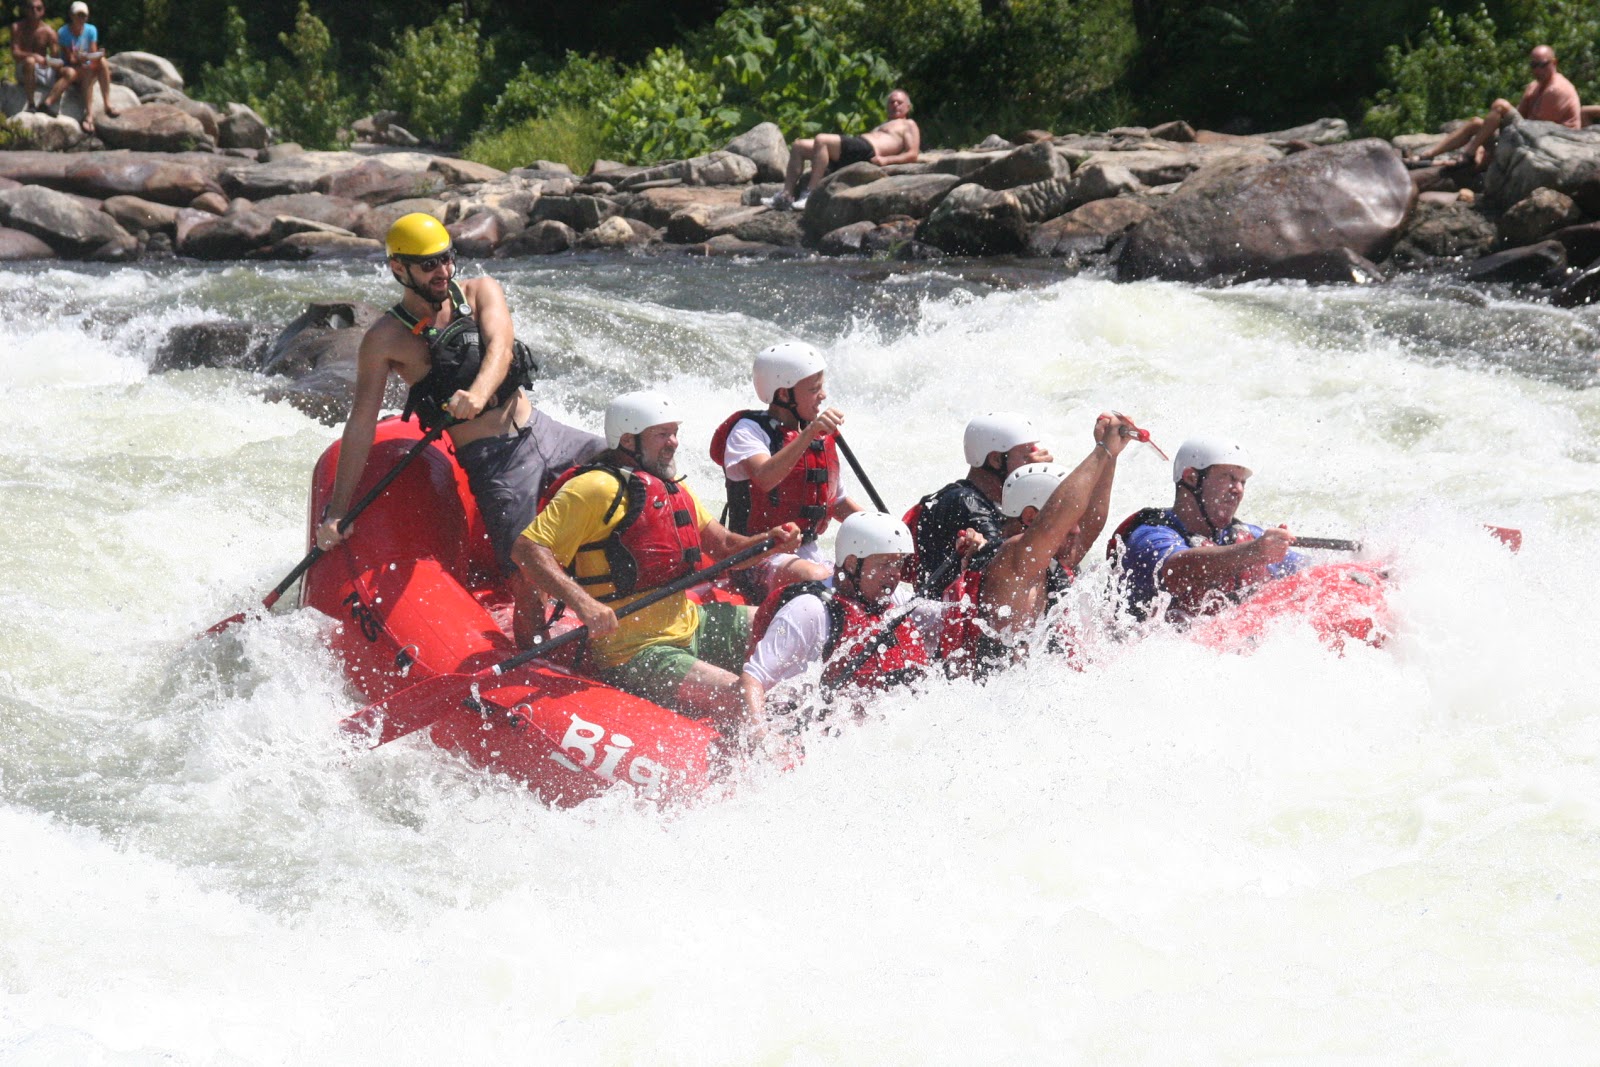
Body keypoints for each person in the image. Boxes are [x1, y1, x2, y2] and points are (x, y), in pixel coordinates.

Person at [316, 213, 606, 602]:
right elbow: (362, 423)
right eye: (428, 264)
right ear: (398, 268)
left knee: (630, 466)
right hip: (495, 461)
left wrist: (478, 394)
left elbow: (501, 347)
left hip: (544, 430)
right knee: (526, 578)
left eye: (447, 258)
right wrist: (337, 511)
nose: (443, 270)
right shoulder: (385, 339)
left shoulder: (480, 290)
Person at [513, 391, 802, 731]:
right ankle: (761, 768)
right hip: (631, 651)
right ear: (627, 439)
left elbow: (724, 547)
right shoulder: (594, 489)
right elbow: (527, 550)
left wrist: (769, 542)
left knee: (788, 624)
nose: (674, 443)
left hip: (691, 624)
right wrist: (584, 604)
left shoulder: (670, 487)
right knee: (739, 696)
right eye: (662, 434)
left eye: (674, 432)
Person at [938, 413, 1137, 675]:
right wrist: (1100, 451)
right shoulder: (1010, 562)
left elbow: (1092, 520)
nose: (1077, 531)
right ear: (1031, 518)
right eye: (1068, 524)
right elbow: (1057, 519)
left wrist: (1110, 456)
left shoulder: (1048, 562)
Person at [739, 511, 935, 725]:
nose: (895, 574)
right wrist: (762, 738)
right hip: (809, 727)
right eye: (884, 564)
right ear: (851, 564)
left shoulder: (893, 600)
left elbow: (952, 616)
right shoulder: (809, 610)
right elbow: (754, 678)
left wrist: (970, 565)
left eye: (898, 564)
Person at [709, 341, 863, 596]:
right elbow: (764, 477)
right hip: (756, 558)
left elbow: (837, 504)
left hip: (807, 553)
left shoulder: (815, 438)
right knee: (818, 578)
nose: (823, 395)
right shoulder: (748, 431)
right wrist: (811, 433)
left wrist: (881, 533)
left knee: (864, 577)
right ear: (783, 394)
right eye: (814, 389)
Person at [1108, 437, 1309, 623]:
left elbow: (1309, 571)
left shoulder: (1245, 536)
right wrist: (1255, 552)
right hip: (1149, 649)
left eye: (1242, 482)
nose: (1238, 489)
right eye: (1228, 478)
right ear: (1191, 477)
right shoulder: (1150, 534)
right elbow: (1178, 570)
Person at [910, 411, 1059, 596]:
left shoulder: (989, 500)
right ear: (996, 460)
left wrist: (1042, 483)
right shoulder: (965, 501)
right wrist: (1033, 484)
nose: (1034, 461)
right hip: (942, 616)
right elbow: (1007, 561)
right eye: (1027, 456)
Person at [1417, 45, 1580, 169]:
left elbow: (1537, 127)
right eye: (1533, 65)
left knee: (1500, 105)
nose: (1537, 70)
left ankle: (1468, 153)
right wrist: (1484, 136)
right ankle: (1427, 155)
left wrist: (1489, 139)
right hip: (1531, 132)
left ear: (1554, 63)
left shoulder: (1556, 89)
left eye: (1542, 65)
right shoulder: (1534, 86)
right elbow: (1520, 115)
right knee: (1475, 123)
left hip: (1553, 141)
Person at [764, 88, 921, 211]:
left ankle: (810, 194)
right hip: (856, 147)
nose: (895, 105)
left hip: (867, 151)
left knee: (822, 139)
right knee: (799, 146)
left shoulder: (909, 124)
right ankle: (786, 196)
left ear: (908, 106)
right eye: (891, 102)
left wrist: (886, 160)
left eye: (899, 102)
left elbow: (913, 154)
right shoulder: (882, 125)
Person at [55, 1, 117, 133]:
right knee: (87, 70)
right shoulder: (64, 32)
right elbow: (70, 58)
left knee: (103, 62)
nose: (81, 19)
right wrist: (81, 58)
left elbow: (93, 53)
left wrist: (96, 55)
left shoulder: (91, 30)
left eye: (83, 16)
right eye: (78, 15)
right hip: (73, 68)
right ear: (71, 16)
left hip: (86, 64)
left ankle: (107, 103)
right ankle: (89, 114)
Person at [10, 0, 71, 116]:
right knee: (30, 61)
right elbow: (15, 53)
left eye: (38, 8)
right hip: (24, 69)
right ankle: (31, 104)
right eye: (31, 8)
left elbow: (56, 59)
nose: (35, 11)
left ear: (43, 11)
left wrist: (53, 63)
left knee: (70, 72)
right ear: (26, 10)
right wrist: (34, 56)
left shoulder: (49, 32)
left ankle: (47, 104)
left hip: (43, 69)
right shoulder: (17, 28)